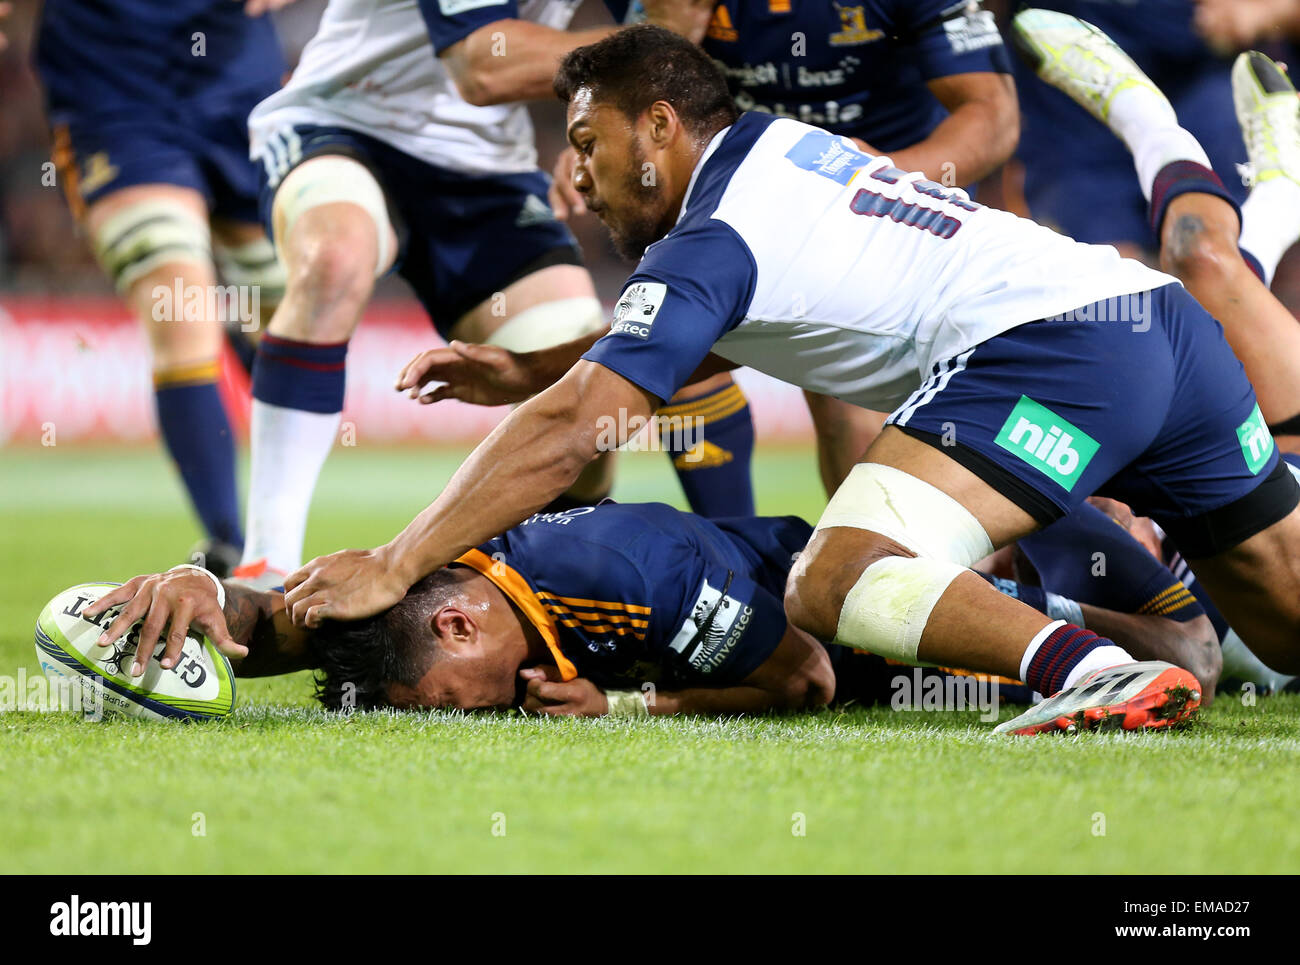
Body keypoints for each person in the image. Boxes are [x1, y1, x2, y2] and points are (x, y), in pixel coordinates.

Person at [274, 24, 1300, 735]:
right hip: (1150, 325)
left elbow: (583, 425)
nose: (575, 177)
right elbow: (735, 328)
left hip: (1054, 349)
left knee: (836, 573)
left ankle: (1091, 674)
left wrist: (400, 560)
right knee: (1289, 623)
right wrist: (530, 363)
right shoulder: (786, 158)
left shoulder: (714, 232)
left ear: (661, 126)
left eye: (589, 143)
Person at [235, 0, 718, 580]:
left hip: (485, 165)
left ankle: (536, 597)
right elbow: (485, 67)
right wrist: (655, 45)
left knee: (582, 398)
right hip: (343, 122)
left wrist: (605, 130)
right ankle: (264, 564)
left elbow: (672, 32)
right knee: (336, 257)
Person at [85, 497, 1216, 723]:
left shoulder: (629, 574)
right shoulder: (427, 586)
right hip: (873, 576)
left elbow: (807, 683)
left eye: (439, 707)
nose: (456, 721)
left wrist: (643, 708)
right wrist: (202, 585)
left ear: (456, 628)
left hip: (900, 629)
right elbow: (290, 623)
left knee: (1219, 654)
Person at [555, 0, 1021, 499]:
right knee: (687, 344)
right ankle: (746, 553)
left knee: (887, 417)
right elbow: (638, 91)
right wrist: (606, 140)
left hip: (895, 207)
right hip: (739, 197)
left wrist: (869, 175)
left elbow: (992, 114)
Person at [31, 0, 291, 575]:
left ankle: (279, 541)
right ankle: (232, 549)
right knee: (179, 305)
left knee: (293, 329)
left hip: (243, 85)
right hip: (113, 87)